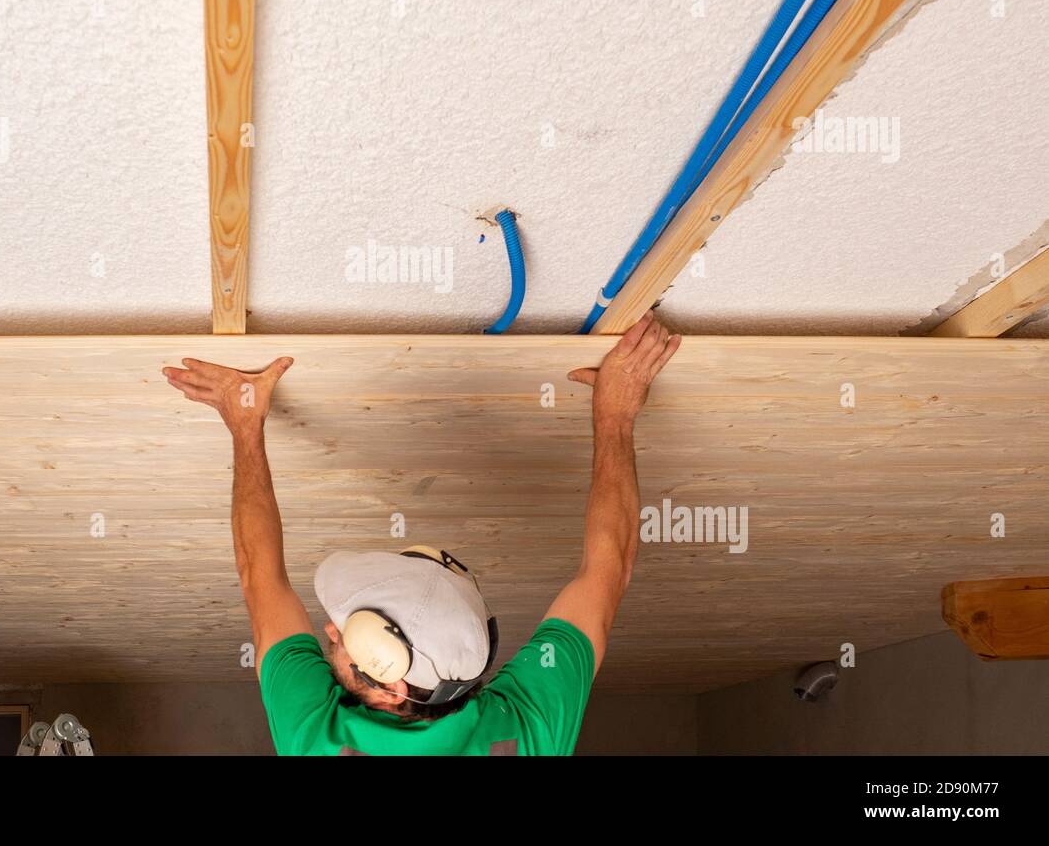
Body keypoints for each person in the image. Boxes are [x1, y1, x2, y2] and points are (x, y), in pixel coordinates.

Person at [162, 312, 681, 755]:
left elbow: (609, 573)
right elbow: (259, 580)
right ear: (395, 686)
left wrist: (615, 410)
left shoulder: (525, 736)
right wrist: (615, 414)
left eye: (344, 636)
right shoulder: (317, 738)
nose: (330, 633)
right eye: (346, 637)